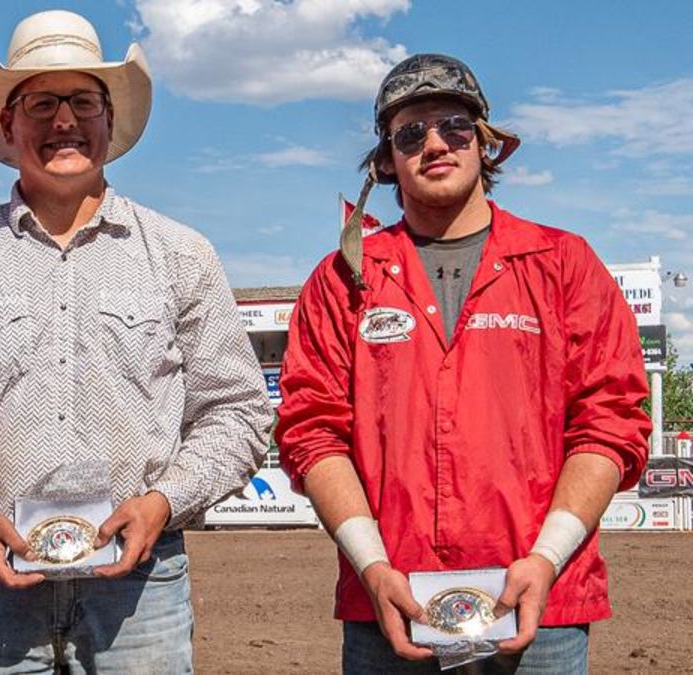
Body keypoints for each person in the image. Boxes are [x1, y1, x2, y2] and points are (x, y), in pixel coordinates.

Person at [0, 9, 270, 673]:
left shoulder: (181, 256)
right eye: (41, 102)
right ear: (7, 123)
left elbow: (238, 412)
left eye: (84, 100)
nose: (64, 121)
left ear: (111, 120)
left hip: (141, 586)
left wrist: (163, 501)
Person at [276, 53, 651, 673]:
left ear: (485, 143)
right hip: (389, 605)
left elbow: (610, 420)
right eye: (409, 133)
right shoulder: (345, 278)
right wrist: (374, 566)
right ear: (385, 161)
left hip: (541, 602)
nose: (433, 143)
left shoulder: (562, 264)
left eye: (453, 125)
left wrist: (546, 558)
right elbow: (311, 430)